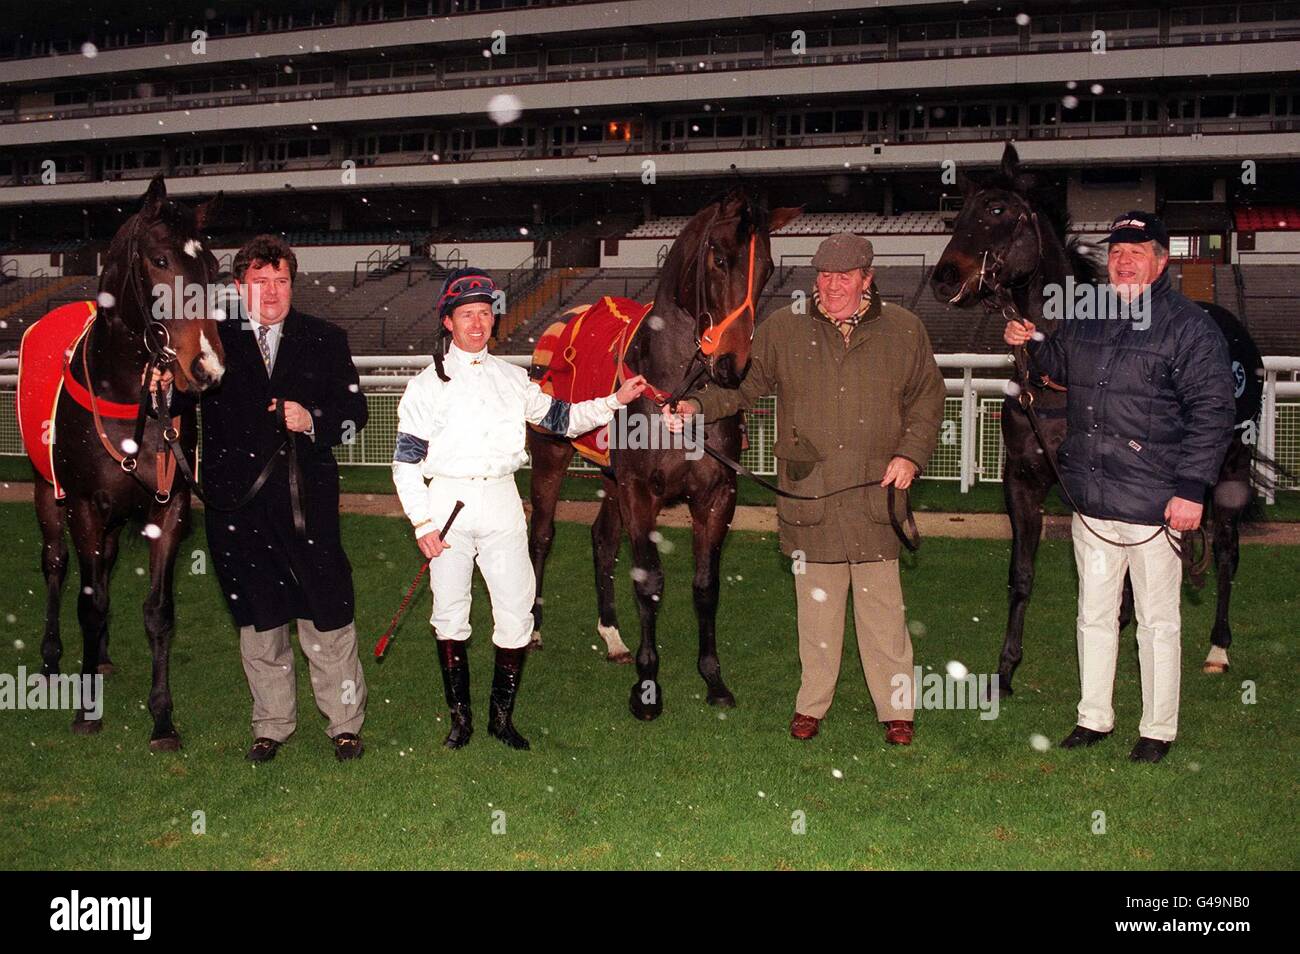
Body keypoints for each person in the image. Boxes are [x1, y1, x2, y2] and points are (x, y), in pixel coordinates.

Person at [663, 233, 945, 745]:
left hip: (875, 494)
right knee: (816, 612)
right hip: (808, 494)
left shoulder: (904, 330)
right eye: (823, 275)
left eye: (843, 277)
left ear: (867, 278)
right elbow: (745, 390)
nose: (831, 286)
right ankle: (812, 703)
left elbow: (927, 399)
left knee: (882, 611)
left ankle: (897, 709)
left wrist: (910, 455)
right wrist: (695, 406)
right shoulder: (784, 327)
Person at [1004, 211, 1234, 762]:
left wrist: (1192, 489)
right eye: (1117, 252)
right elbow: (1061, 365)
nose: (1124, 260)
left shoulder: (1189, 326)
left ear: (1161, 260)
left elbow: (1213, 412)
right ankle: (1094, 717)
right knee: (1093, 615)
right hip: (1092, 497)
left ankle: (1157, 729)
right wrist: (1032, 339)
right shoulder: (1091, 316)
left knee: (1157, 622)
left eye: (1137, 251)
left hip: (1156, 501)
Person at [391, 267, 646, 751]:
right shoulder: (426, 385)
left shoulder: (513, 379)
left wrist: (615, 399)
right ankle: (460, 721)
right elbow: (405, 463)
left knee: (516, 613)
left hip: (503, 501)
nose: (477, 324)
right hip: (447, 503)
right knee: (450, 614)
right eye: (466, 315)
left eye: (485, 314)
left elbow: (564, 418)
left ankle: (500, 720)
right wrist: (422, 522)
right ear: (448, 322)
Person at [164, 235, 370, 763]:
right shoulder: (213, 341)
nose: (272, 291)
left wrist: (314, 420)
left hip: (308, 505)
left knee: (327, 614)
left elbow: (355, 415)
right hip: (238, 510)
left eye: (281, 280)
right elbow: (179, 396)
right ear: (240, 286)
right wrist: (162, 382)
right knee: (260, 620)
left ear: (292, 284)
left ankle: (344, 723)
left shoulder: (325, 338)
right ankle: (272, 724)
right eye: (261, 281)